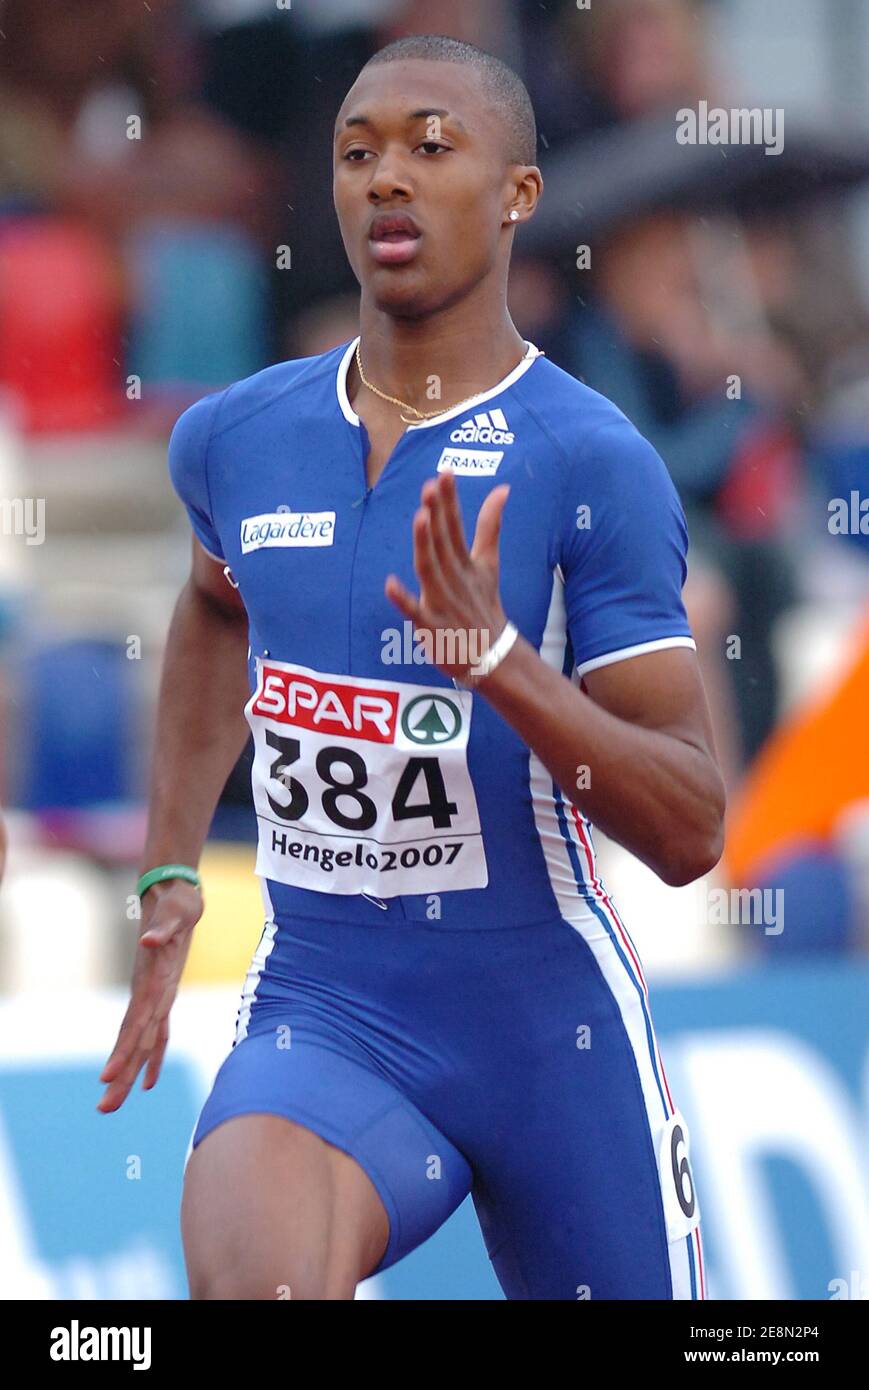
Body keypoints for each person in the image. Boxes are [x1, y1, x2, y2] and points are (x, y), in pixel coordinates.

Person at [99, 34, 724, 1301]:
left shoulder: (590, 461)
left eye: (431, 148)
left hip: (548, 1024)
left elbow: (691, 826)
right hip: (328, 1003)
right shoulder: (238, 438)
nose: (387, 178)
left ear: (516, 195)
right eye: (356, 153)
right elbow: (216, 611)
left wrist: (503, 667)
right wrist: (170, 870)